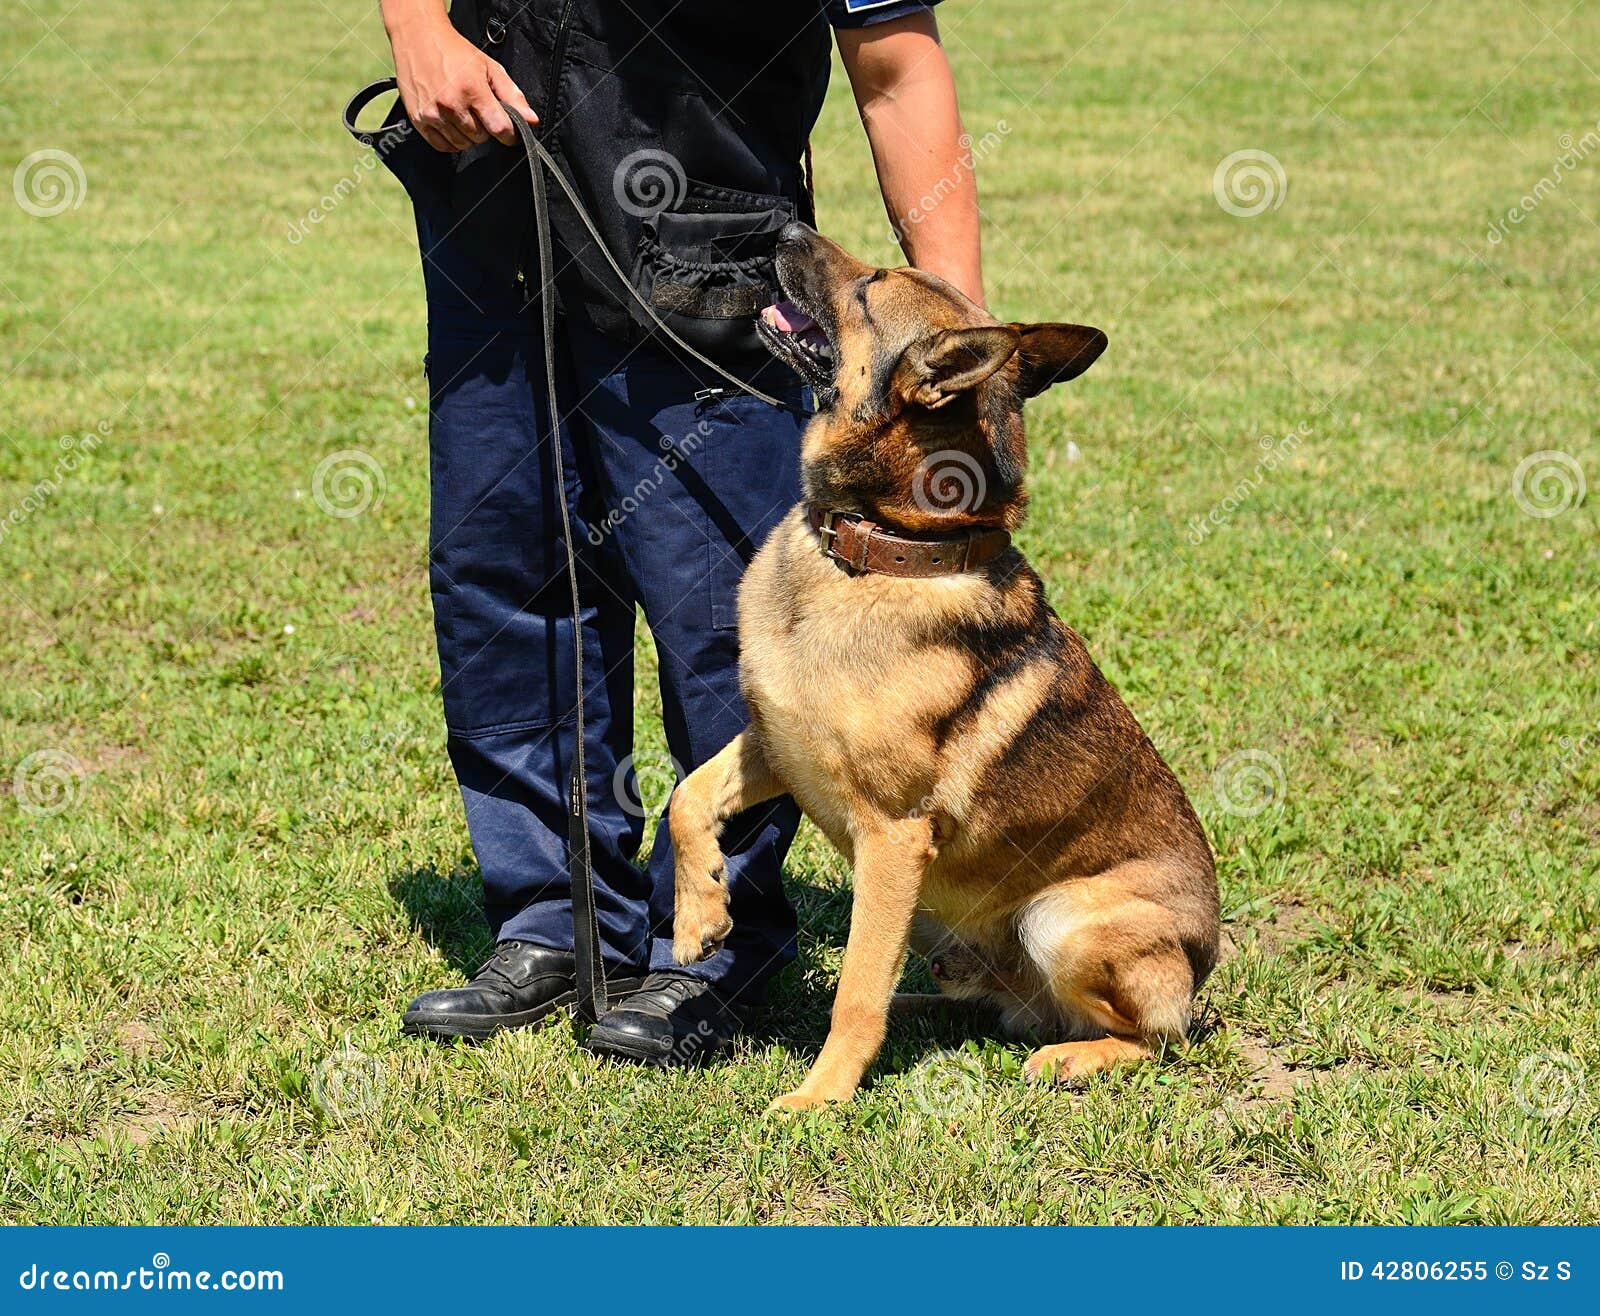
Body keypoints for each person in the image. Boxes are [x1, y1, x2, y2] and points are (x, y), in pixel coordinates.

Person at [360, 0, 983, 1063]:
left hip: (705, 250)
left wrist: (958, 328)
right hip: (494, 211)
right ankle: (551, 919)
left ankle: (716, 945)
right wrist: (419, 24)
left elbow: (894, 69)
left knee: (723, 620)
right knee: (502, 575)